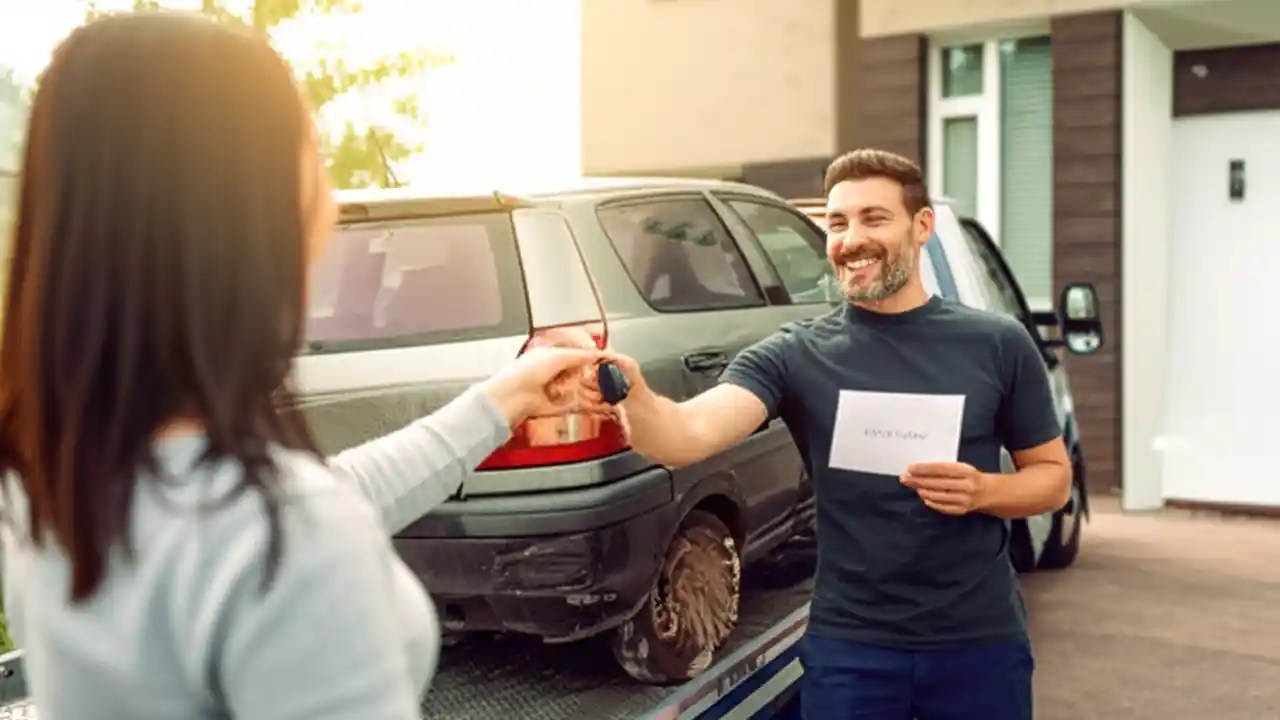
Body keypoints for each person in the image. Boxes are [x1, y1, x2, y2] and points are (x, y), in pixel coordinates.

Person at [0, 12, 608, 719]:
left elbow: (320, 496)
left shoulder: (45, 478)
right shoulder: (286, 540)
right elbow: (294, 521)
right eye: (310, 152)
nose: (329, 200)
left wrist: (500, 400)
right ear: (246, 209)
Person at [602, 149, 1071, 720]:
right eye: (838, 223)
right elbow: (685, 435)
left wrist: (983, 492)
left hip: (977, 643)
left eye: (874, 218)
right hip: (853, 651)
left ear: (921, 226)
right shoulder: (797, 354)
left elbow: (1052, 480)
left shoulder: (997, 343)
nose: (852, 239)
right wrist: (632, 393)